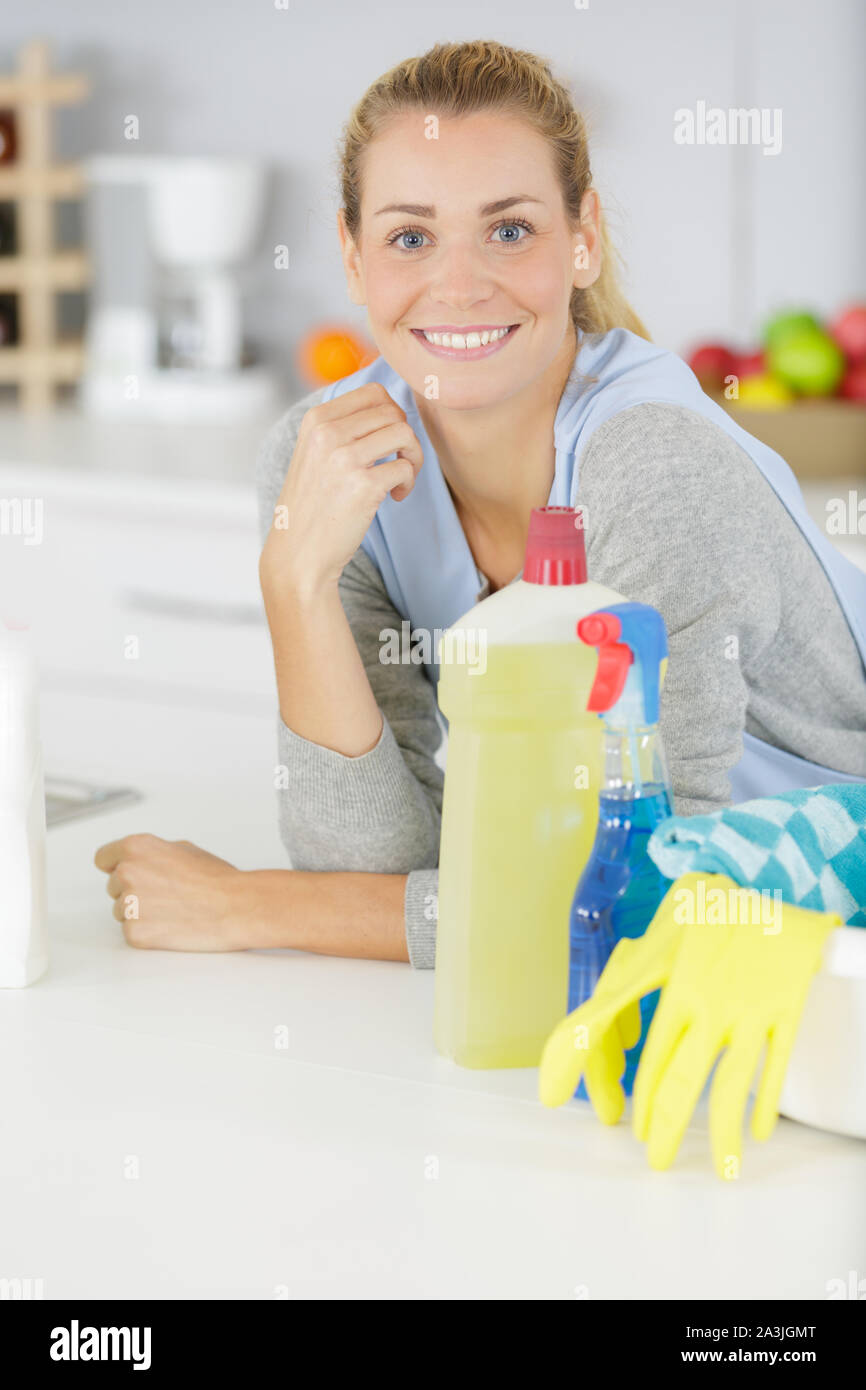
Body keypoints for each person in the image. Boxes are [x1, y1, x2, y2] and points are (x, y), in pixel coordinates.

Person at [95, 39, 866, 968]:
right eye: (410, 236)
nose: (458, 286)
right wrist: (294, 580)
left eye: (509, 229)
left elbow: (647, 901)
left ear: (583, 239)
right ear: (351, 254)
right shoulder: (332, 460)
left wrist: (249, 908)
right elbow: (368, 858)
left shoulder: (655, 463)